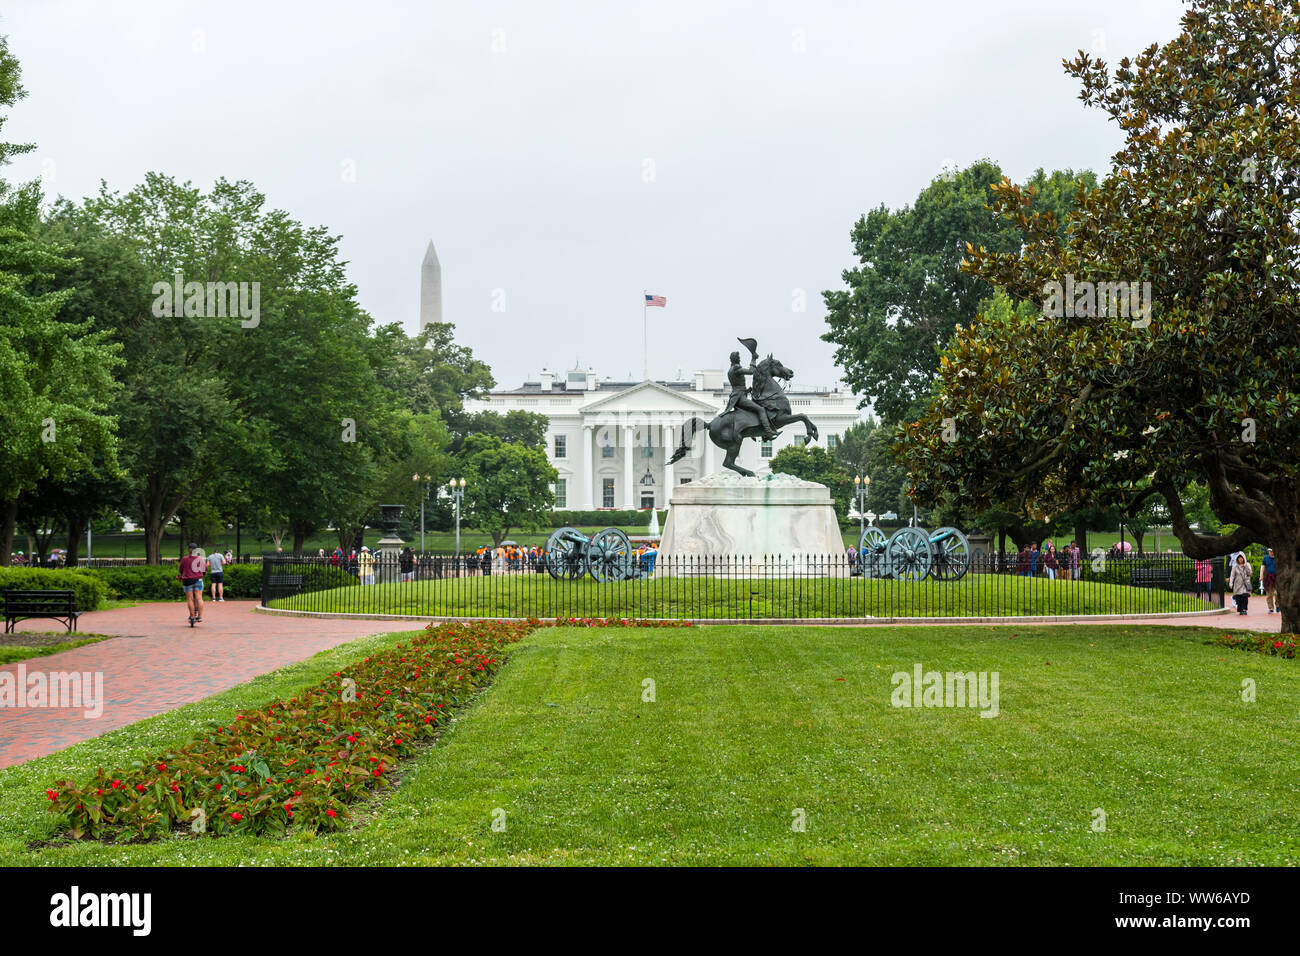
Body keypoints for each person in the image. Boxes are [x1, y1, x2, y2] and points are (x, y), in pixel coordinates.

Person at [722, 341, 777, 440]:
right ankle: (768, 432)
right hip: (739, 398)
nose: (740, 359)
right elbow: (751, 371)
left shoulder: (730, 370)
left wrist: (747, 390)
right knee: (760, 409)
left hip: (738, 395)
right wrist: (753, 359)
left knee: (753, 411)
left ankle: (753, 432)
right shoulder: (736, 368)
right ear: (736, 359)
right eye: (739, 358)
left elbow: (738, 386)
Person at [178, 542, 206, 623]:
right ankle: (200, 617)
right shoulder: (200, 559)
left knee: (190, 599)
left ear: (188, 550)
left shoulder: (184, 559)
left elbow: (180, 570)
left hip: (187, 580)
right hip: (198, 580)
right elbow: (205, 570)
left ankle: (192, 616)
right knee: (199, 598)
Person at [1261, 547, 1278, 613]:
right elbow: (1263, 567)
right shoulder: (1266, 558)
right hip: (1268, 577)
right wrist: (1261, 575)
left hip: (1277, 577)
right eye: (1270, 551)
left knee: (1277, 593)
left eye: (1272, 551)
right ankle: (1271, 608)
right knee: (1269, 594)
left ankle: (1278, 605)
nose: (1271, 552)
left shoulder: (1278, 557)